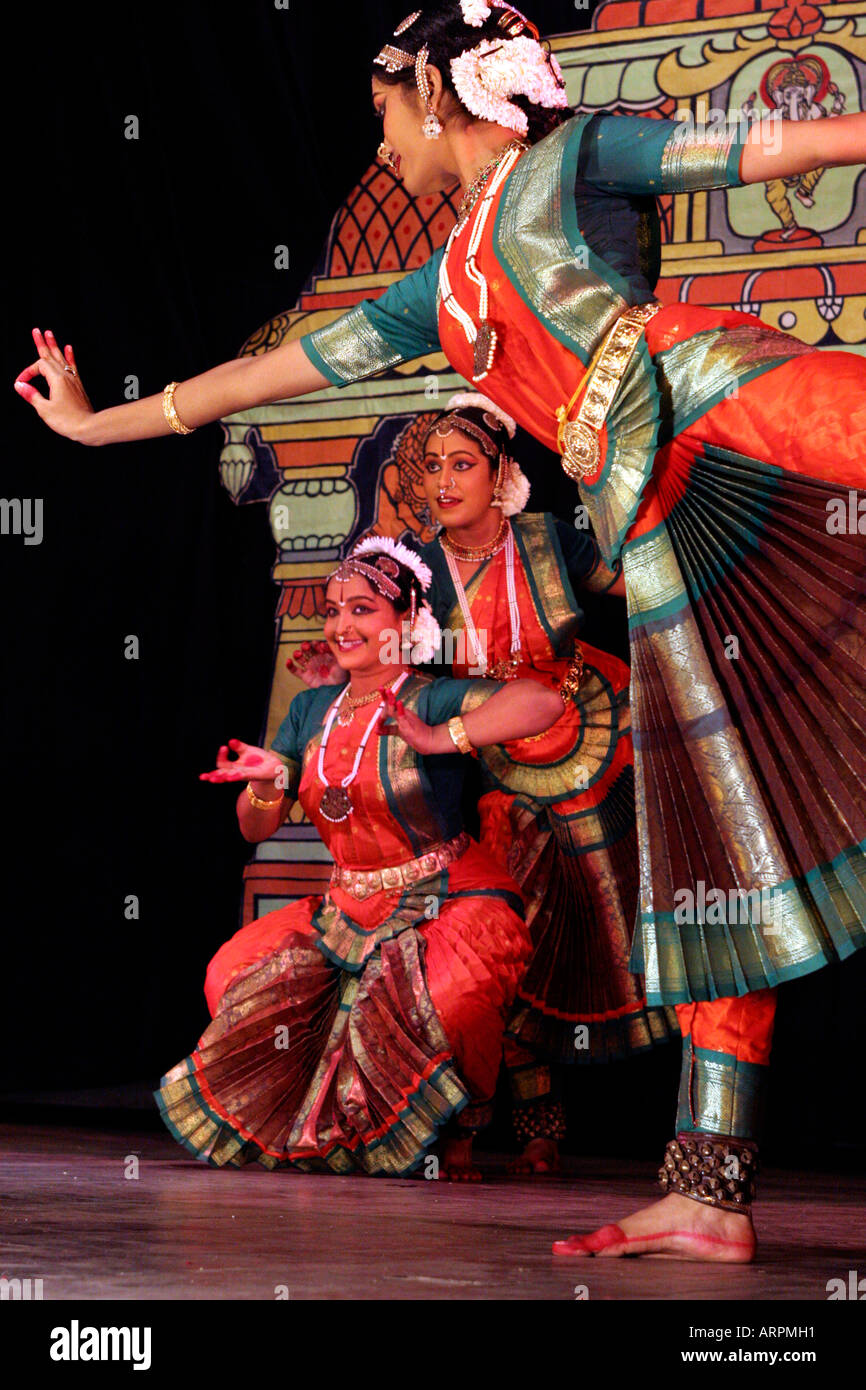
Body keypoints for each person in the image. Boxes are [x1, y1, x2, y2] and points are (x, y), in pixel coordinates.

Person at [15, 2, 866, 1259]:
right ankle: (707, 1186)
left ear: (433, 88)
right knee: (717, 841)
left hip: (705, 401)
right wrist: (99, 430)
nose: (377, 150)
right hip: (658, 518)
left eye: (379, 116)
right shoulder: (436, 291)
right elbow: (272, 374)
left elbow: (773, 152)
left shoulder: (572, 163)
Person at [290, 390, 678, 1176]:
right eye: (431, 466)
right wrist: (343, 669)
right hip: (483, 765)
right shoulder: (419, 568)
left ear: (500, 474)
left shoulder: (550, 544)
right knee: (506, 948)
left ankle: (635, 1123)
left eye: (462, 464)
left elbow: (651, 586)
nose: (443, 481)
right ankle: (497, 1118)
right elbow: (384, 641)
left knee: (607, 937)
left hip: (594, 749)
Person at [155, 537, 564, 1178]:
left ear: (408, 622)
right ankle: (341, 1127)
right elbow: (253, 830)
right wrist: (266, 781)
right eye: (334, 609)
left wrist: (439, 737)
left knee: (450, 999)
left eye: (364, 609)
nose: (343, 625)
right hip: (346, 902)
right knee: (230, 976)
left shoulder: (431, 697)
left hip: (446, 895)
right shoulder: (311, 710)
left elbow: (543, 702)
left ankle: (458, 1126)